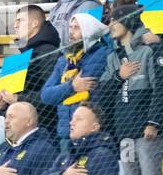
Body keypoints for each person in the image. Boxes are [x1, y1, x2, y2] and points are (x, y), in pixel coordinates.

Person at [101, 6, 163, 175]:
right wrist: (118, 76)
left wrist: (153, 123)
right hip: (124, 135)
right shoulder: (112, 57)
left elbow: (162, 88)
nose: (111, 25)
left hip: (146, 133)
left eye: (115, 20)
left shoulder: (150, 51)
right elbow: (101, 94)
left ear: (128, 21)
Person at [39, 13, 111, 147]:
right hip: (65, 133)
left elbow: (86, 85)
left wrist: (62, 91)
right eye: (70, 28)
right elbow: (46, 95)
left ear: (88, 31)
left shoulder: (101, 54)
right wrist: (71, 86)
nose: (71, 33)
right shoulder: (64, 60)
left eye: (76, 28)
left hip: (90, 133)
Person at [35, 102, 120, 175]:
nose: (71, 123)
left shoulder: (102, 155)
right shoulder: (65, 156)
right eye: (72, 119)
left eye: (78, 119)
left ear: (95, 127)